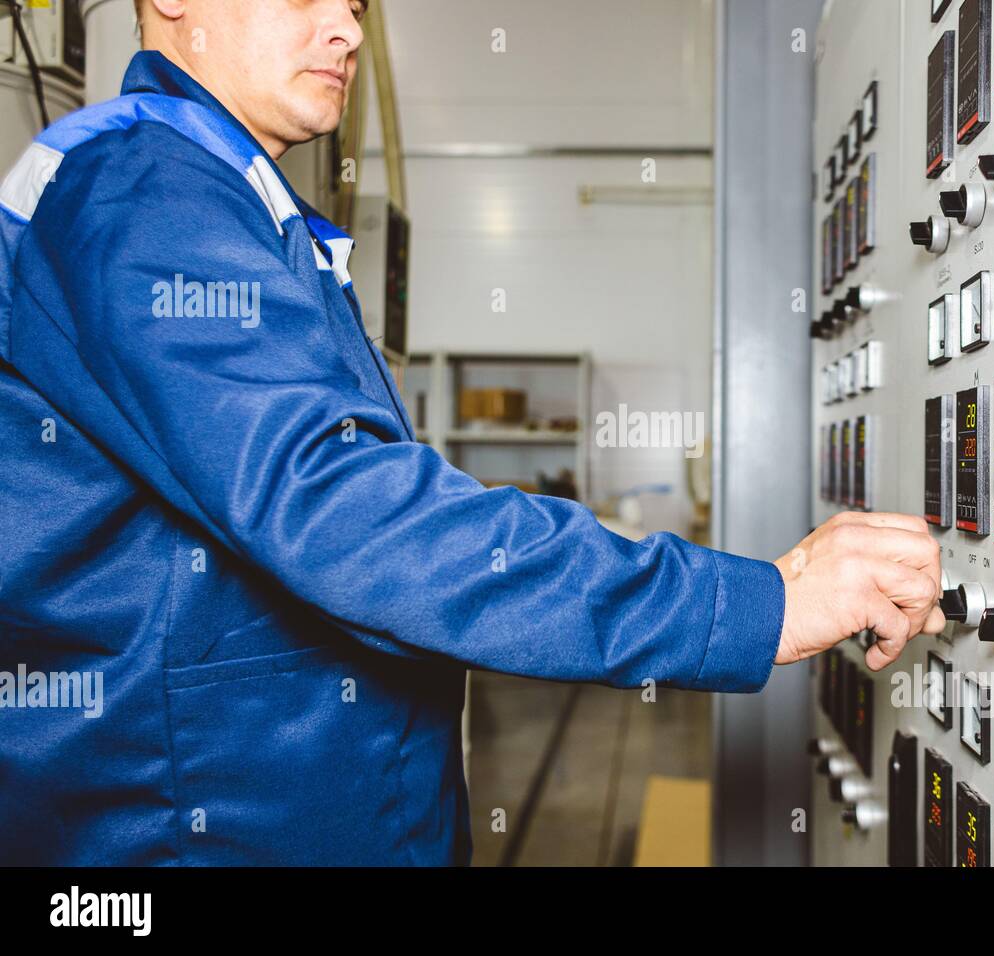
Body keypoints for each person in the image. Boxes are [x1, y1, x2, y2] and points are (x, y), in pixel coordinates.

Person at [0, 0, 944, 865]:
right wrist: (756, 603)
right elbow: (354, 518)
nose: (348, 30)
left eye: (358, 4)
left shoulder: (214, 196)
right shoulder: (146, 192)